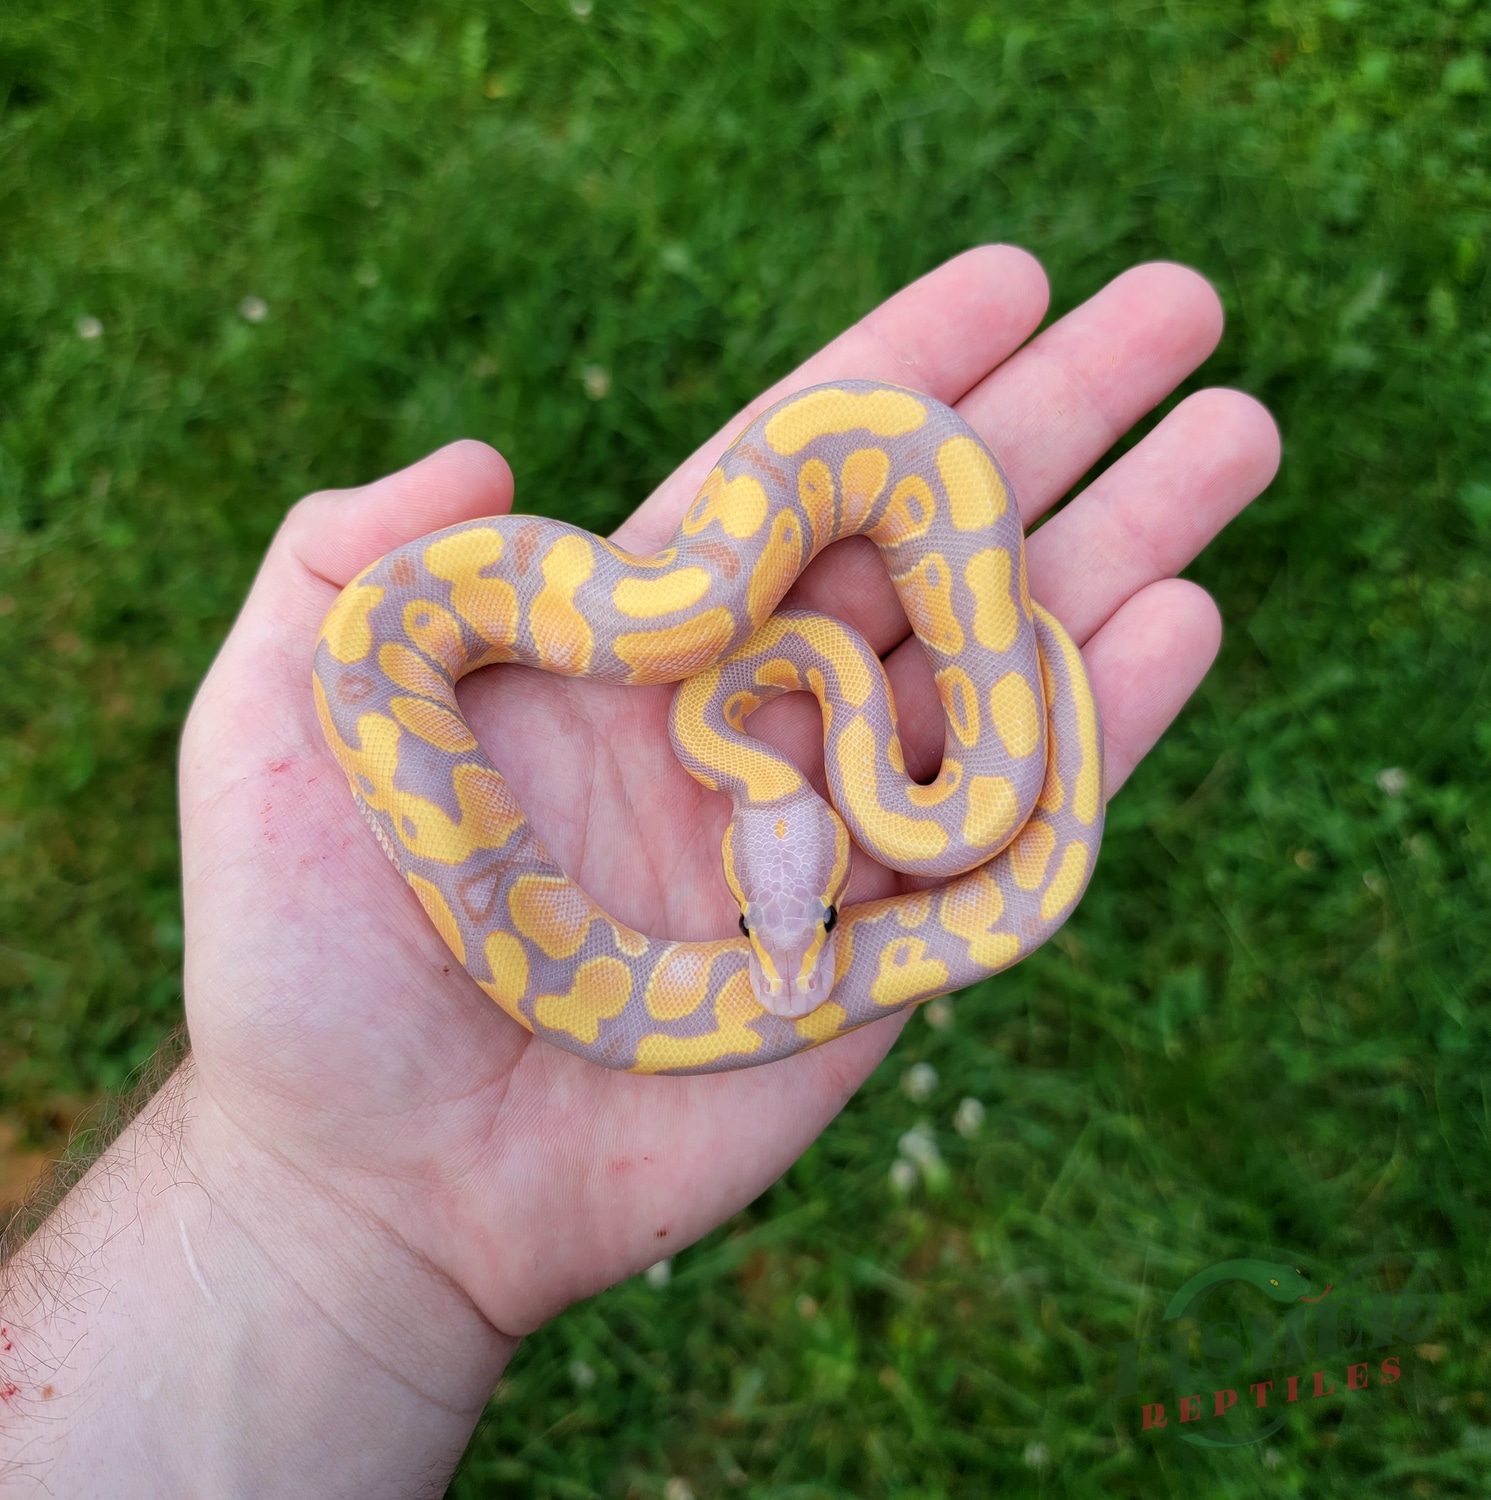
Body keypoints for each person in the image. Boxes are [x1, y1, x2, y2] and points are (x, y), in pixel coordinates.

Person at [0, 249, 1277, 1495]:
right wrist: (314, 1184)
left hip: (828, 625)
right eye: (786, 920)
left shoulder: (763, 728)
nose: (789, 964)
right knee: (967, 804)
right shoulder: (735, 720)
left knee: (967, 813)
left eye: (808, 916)